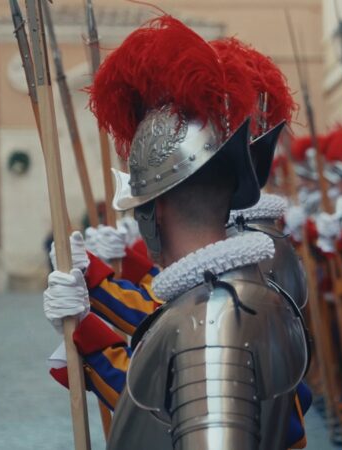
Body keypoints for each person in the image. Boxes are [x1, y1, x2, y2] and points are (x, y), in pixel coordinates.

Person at [42, 17, 309, 449]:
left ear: (153, 209)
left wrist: (93, 296)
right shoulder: (228, 298)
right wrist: (83, 328)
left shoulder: (213, 320)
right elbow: (163, 411)